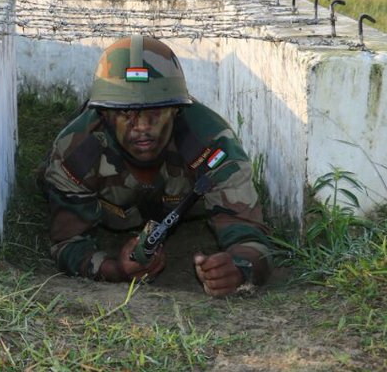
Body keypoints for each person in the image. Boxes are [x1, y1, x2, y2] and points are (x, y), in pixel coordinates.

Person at [38, 36, 273, 297]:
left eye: (155, 112)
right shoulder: (75, 153)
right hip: (104, 201)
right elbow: (67, 242)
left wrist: (239, 268)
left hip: (182, 200)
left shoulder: (211, 144)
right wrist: (115, 269)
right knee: (45, 181)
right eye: (126, 113)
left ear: (176, 110)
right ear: (104, 114)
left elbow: (250, 235)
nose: (141, 126)